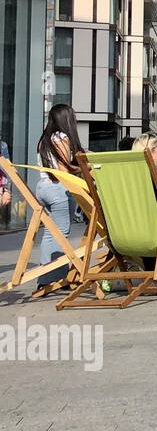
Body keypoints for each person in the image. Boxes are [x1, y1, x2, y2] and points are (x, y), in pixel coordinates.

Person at [31, 104, 84, 298]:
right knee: (61, 233)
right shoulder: (62, 137)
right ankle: (53, 278)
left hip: (43, 187)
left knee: (50, 234)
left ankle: (49, 278)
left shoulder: (45, 139)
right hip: (57, 189)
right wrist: (87, 169)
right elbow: (64, 169)